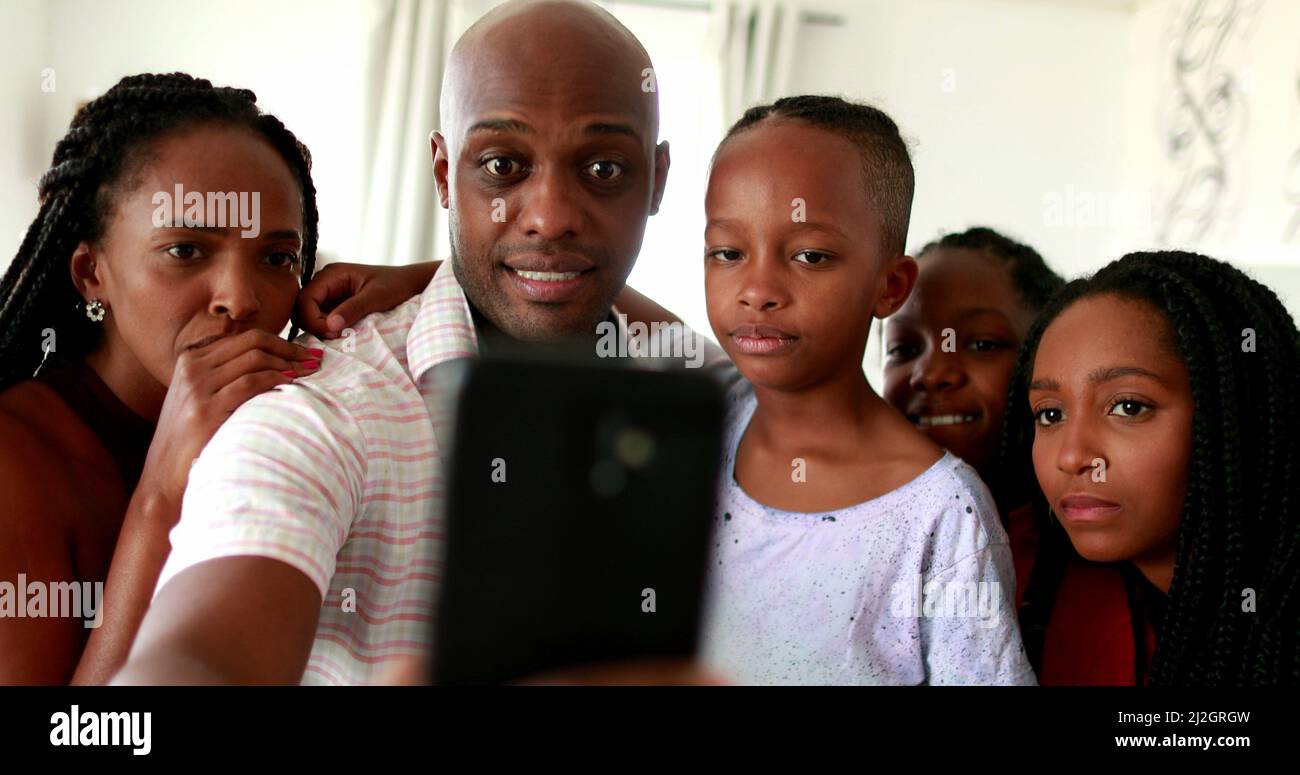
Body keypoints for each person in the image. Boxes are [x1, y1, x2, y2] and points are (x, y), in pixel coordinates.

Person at [113, 0, 716, 685]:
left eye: (604, 169)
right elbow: (194, 658)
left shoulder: (706, 396)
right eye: (501, 164)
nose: (550, 218)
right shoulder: (322, 407)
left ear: (658, 180)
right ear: (442, 174)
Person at [0, 72, 451, 684]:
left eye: (275, 258)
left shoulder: (295, 404)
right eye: (186, 250)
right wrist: (159, 496)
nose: (239, 300)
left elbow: (603, 303)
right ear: (90, 273)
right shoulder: (16, 458)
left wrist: (427, 274)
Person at [697, 97, 1034, 684]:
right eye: (728, 253)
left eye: (810, 255)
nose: (756, 289)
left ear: (890, 286)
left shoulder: (943, 517)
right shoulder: (703, 422)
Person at [1005, 251, 1300, 685]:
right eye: (1050, 414)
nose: (1071, 457)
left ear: (1235, 413)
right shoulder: (1045, 598)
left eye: (1128, 406)